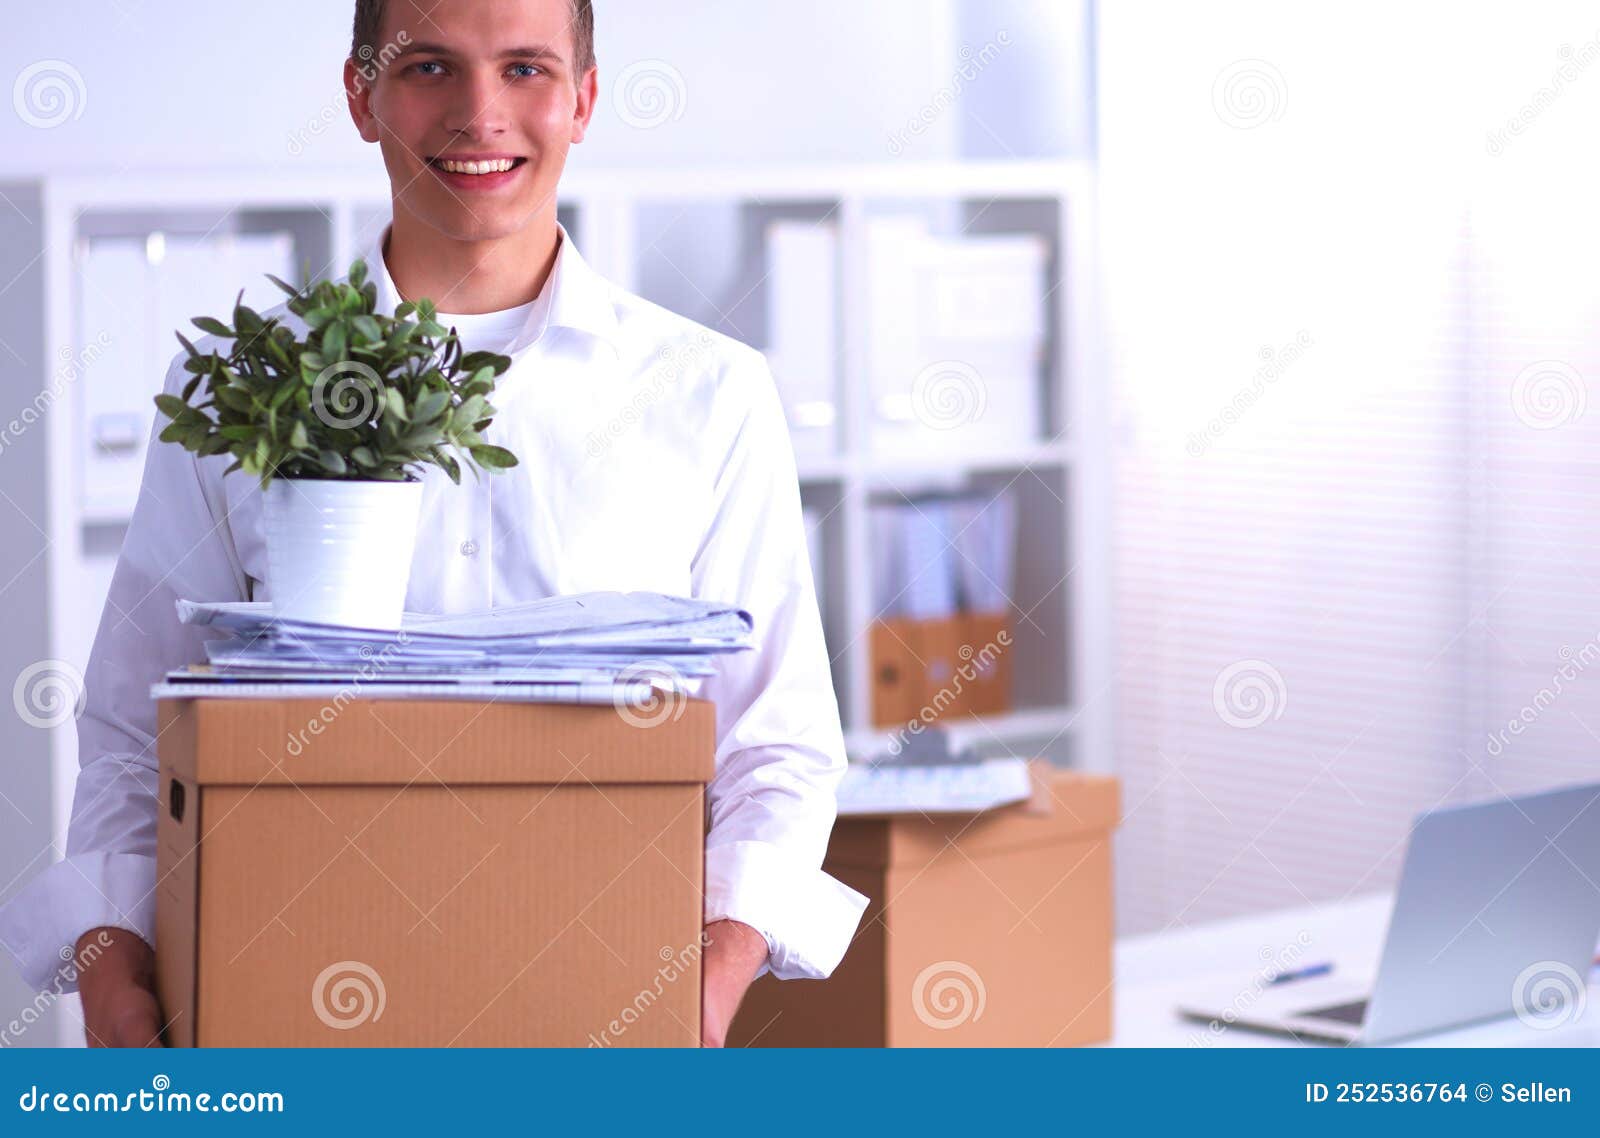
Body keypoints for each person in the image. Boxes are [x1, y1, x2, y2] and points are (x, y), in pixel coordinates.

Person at [0, 0, 866, 1048]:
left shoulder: (707, 392)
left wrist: (704, 994)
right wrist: (111, 973)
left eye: (526, 69)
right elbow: (138, 729)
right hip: (285, 1012)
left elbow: (775, 742)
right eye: (428, 68)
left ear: (585, 99)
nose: (479, 112)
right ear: (361, 94)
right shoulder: (235, 389)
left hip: (599, 1019)